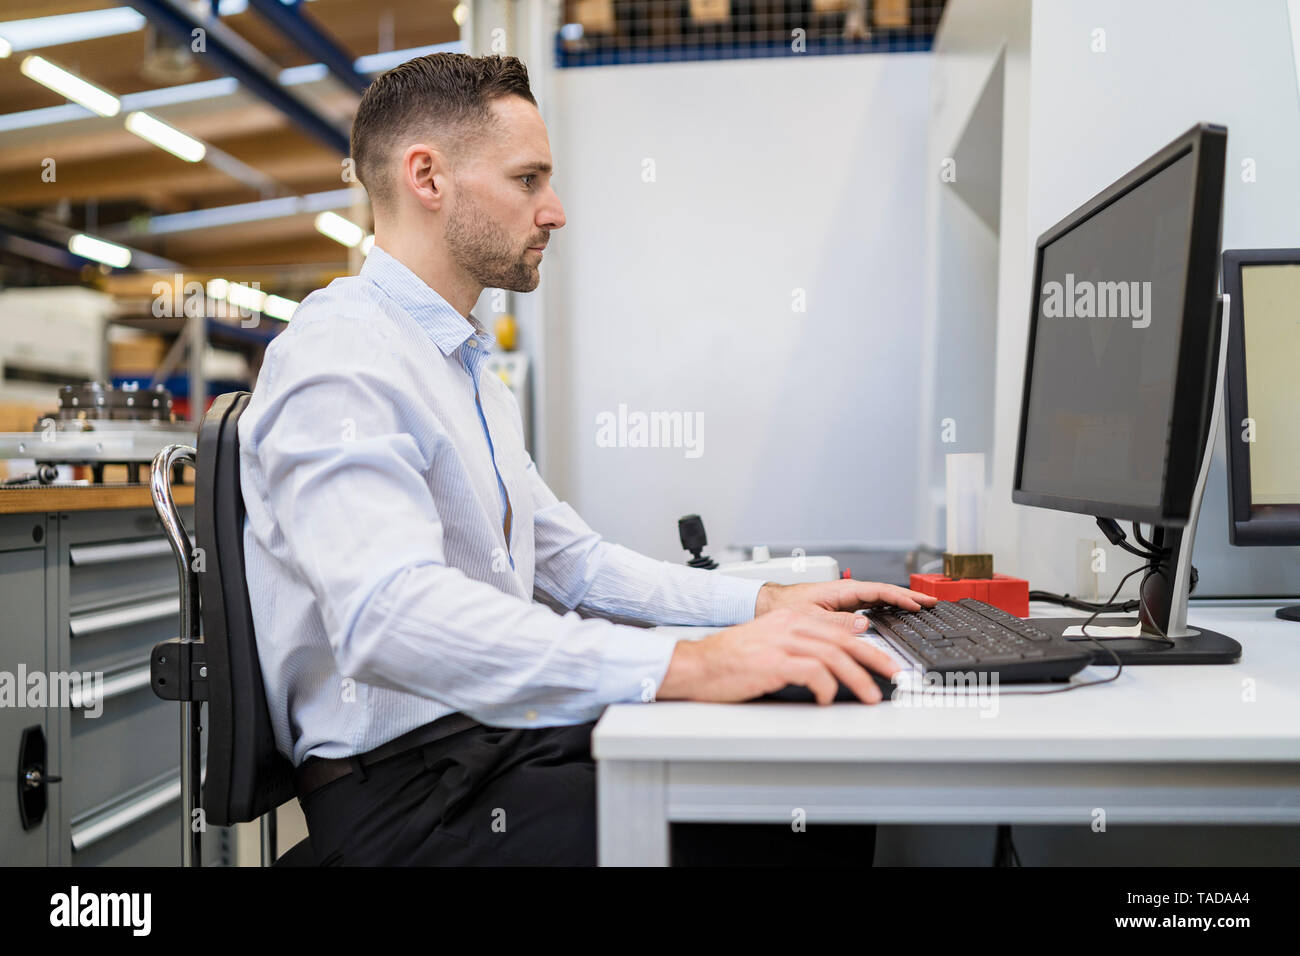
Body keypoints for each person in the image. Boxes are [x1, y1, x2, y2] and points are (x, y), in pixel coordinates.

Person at [239, 52, 936, 866]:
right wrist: (686, 664)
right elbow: (387, 616)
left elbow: (577, 567)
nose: (555, 211)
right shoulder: (341, 356)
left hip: (490, 748)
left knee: (806, 743)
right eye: (528, 179)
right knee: (789, 810)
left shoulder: (462, 371)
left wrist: (764, 606)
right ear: (427, 177)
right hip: (408, 804)